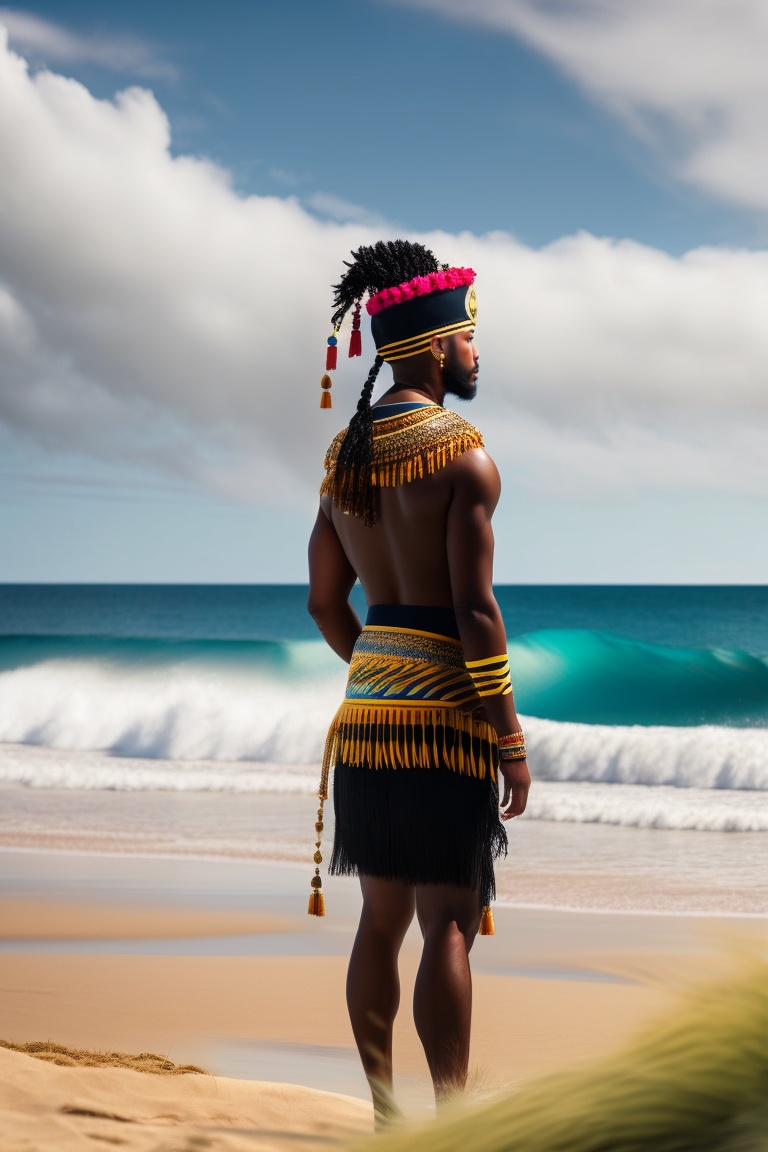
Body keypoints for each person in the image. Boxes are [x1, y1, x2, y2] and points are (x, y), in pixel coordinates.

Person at [306, 240, 530, 1121]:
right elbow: (475, 612)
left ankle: (383, 1116)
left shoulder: (342, 461)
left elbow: (326, 604)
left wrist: (382, 671)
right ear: (435, 345)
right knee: (447, 926)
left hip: (367, 720)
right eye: (471, 337)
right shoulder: (466, 457)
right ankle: (451, 1126)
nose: (477, 352)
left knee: (379, 922)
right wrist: (508, 737)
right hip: (445, 728)